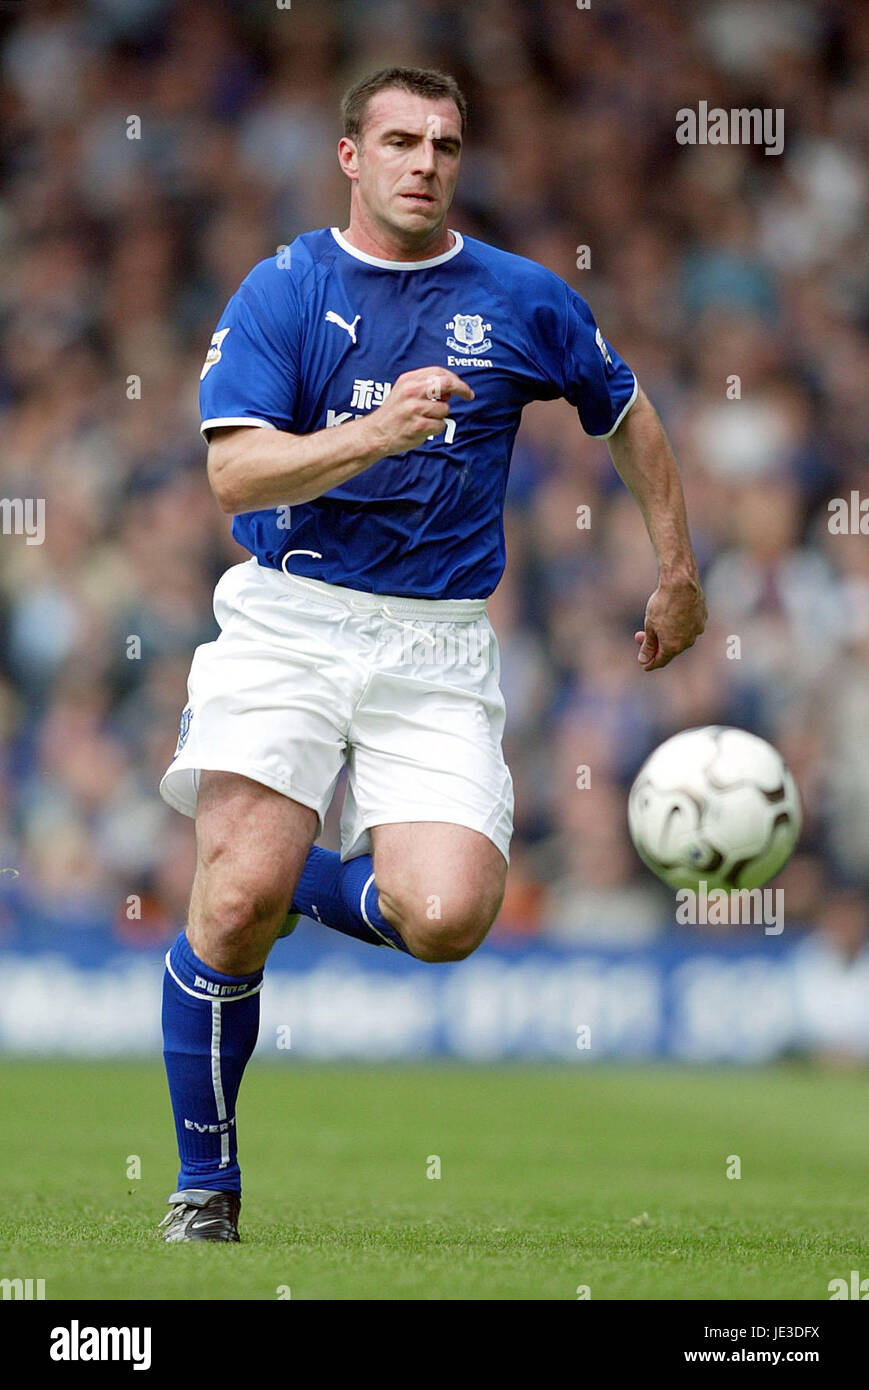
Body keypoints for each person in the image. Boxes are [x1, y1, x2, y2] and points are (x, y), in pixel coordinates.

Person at [157, 66, 707, 1242]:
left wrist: (674, 568)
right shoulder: (285, 287)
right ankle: (205, 1189)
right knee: (234, 893)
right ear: (349, 155)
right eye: (399, 140)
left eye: (444, 145)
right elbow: (232, 474)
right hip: (291, 618)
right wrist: (374, 432)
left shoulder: (519, 296)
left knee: (450, 917)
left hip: (437, 640)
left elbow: (627, 411)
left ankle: (283, 879)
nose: (424, 162)